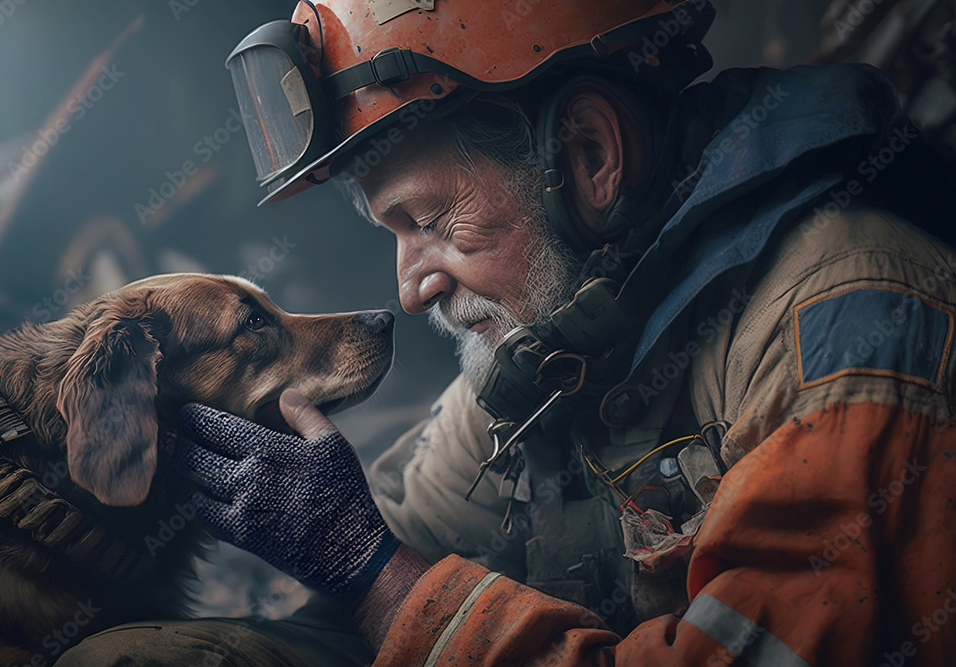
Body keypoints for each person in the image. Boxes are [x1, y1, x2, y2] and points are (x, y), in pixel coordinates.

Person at [59, 0, 956, 664]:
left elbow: (382, 577)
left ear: (589, 157)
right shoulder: (557, 339)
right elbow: (373, 577)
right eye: (392, 235)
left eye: (429, 221)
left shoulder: (846, 325)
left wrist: (372, 569)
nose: (407, 289)